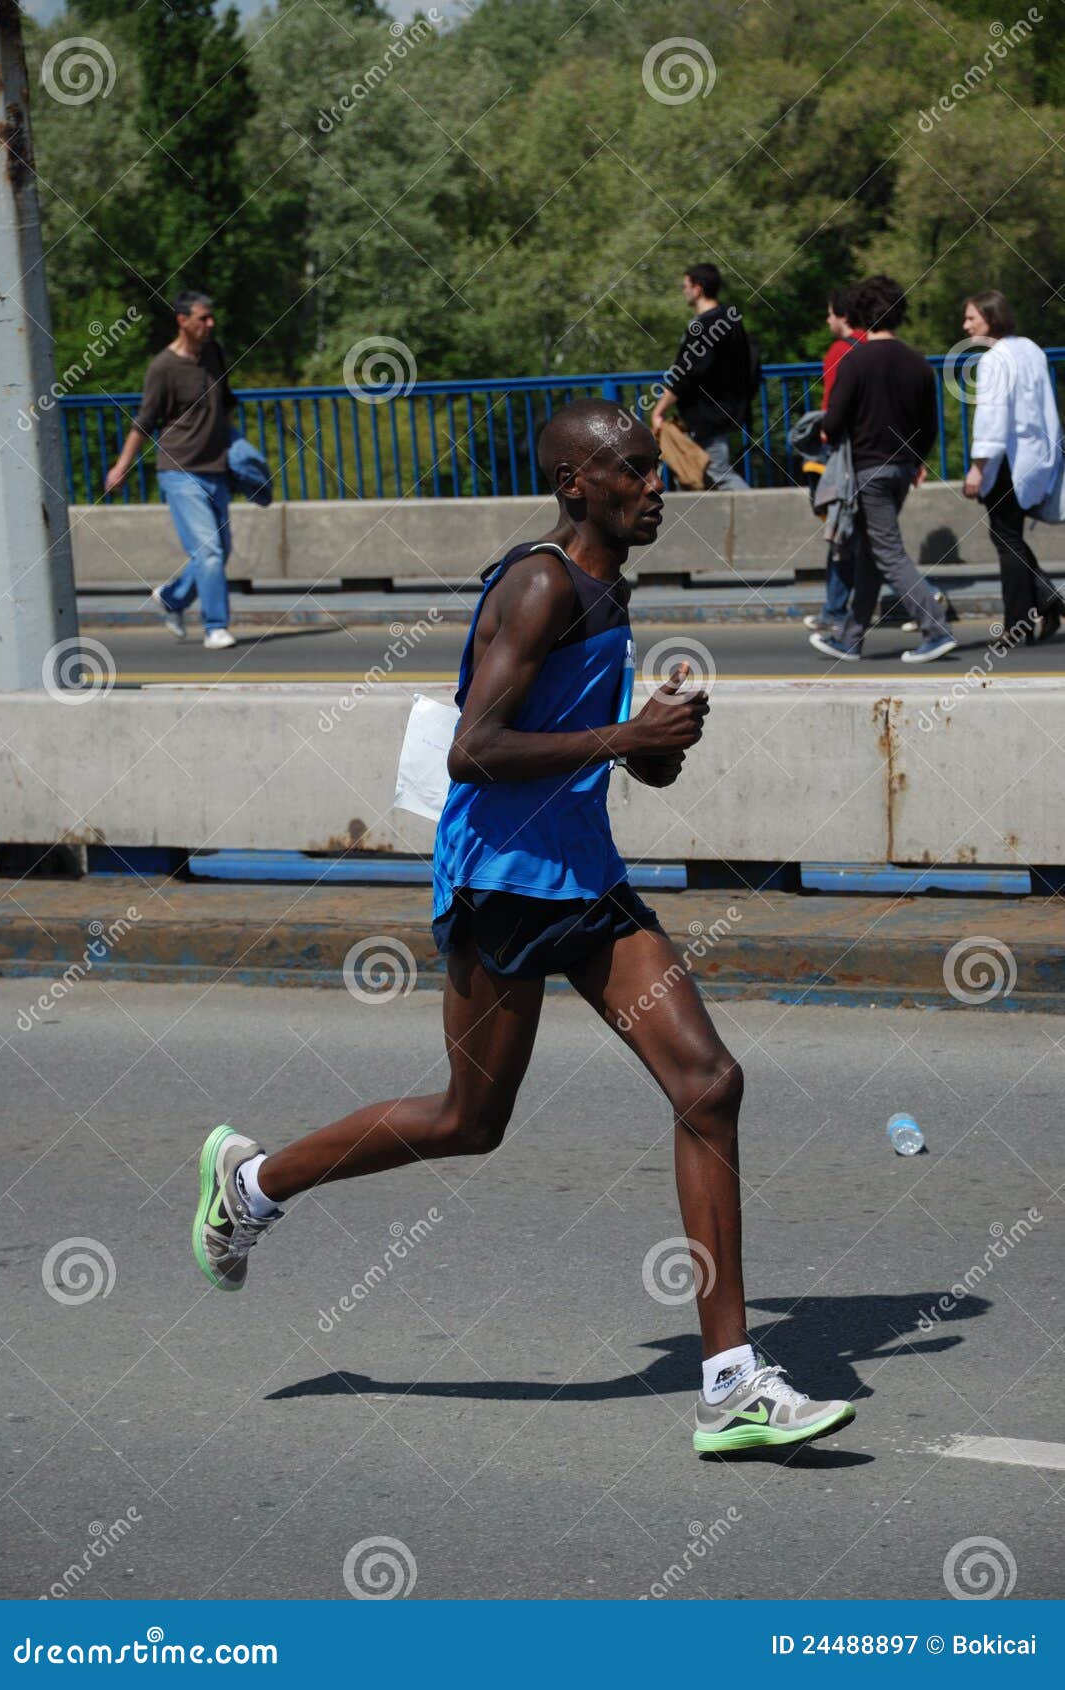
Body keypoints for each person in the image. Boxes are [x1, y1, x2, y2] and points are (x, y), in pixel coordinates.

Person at [191, 399, 855, 1457]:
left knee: (709, 1084)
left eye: (654, 467)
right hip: (502, 881)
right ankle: (255, 1184)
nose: (655, 485)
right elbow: (476, 749)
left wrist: (655, 744)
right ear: (574, 484)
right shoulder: (540, 583)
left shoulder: (607, 583)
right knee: (468, 1120)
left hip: (583, 878)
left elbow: (593, 744)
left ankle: (730, 1381)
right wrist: (624, 735)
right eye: (632, 470)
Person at [809, 274, 958, 664]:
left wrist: (824, 429)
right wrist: (915, 462)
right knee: (872, 553)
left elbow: (834, 421)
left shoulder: (855, 361)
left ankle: (936, 629)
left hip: (868, 470)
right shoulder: (919, 364)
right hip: (902, 469)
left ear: (860, 313)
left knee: (887, 552)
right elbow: (930, 426)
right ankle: (850, 638)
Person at [105, 290, 238, 651]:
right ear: (182, 320)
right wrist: (122, 465)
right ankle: (215, 627)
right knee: (209, 551)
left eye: (211, 317)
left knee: (219, 551)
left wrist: (236, 451)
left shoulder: (214, 353)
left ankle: (171, 599)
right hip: (180, 470)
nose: (210, 323)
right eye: (203, 318)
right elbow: (145, 421)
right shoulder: (162, 367)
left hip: (215, 467)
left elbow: (226, 403)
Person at [961, 289, 1063, 643]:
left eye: (971, 318)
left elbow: (992, 419)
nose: (966, 326)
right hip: (1033, 455)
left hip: (1006, 460)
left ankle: (1018, 625)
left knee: (1006, 539)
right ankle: (1048, 602)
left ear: (991, 318)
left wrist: (978, 467)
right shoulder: (1030, 349)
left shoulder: (994, 360)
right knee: (1008, 535)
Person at [650, 264, 753, 491]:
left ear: (698, 289)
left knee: (717, 474)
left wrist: (659, 410)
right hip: (728, 411)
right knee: (691, 477)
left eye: (685, 286)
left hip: (706, 416)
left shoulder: (705, 326)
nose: (683, 291)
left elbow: (685, 373)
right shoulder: (730, 319)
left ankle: (759, 510)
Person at [804, 286, 868, 633]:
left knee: (843, 531)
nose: (827, 320)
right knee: (872, 536)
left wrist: (824, 435)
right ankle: (836, 608)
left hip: (846, 454)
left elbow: (832, 408)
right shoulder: (875, 345)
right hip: (879, 450)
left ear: (842, 315)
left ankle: (834, 610)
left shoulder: (840, 351)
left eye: (830, 314)